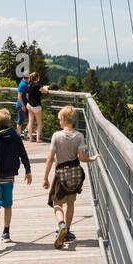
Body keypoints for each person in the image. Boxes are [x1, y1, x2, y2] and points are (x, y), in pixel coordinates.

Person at [43, 105, 100, 249]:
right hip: (74, 174)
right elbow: (82, 157)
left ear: (63, 119)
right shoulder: (79, 136)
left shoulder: (56, 136)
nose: (59, 122)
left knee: (57, 203)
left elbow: (50, 159)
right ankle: (67, 230)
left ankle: (61, 224)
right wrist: (92, 158)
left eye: (59, 120)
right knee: (71, 203)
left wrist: (45, 177)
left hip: (60, 175)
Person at [0, 108, 31, 253]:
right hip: (9, 178)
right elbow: (23, 152)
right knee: (8, 205)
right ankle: (6, 232)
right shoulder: (15, 135)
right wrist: (28, 170)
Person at [25, 71, 51, 145]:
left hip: (29, 105)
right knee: (39, 123)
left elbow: (27, 96)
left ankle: (30, 138)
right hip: (36, 106)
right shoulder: (37, 85)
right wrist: (46, 87)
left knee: (30, 121)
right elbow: (45, 92)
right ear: (37, 77)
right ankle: (38, 139)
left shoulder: (29, 85)